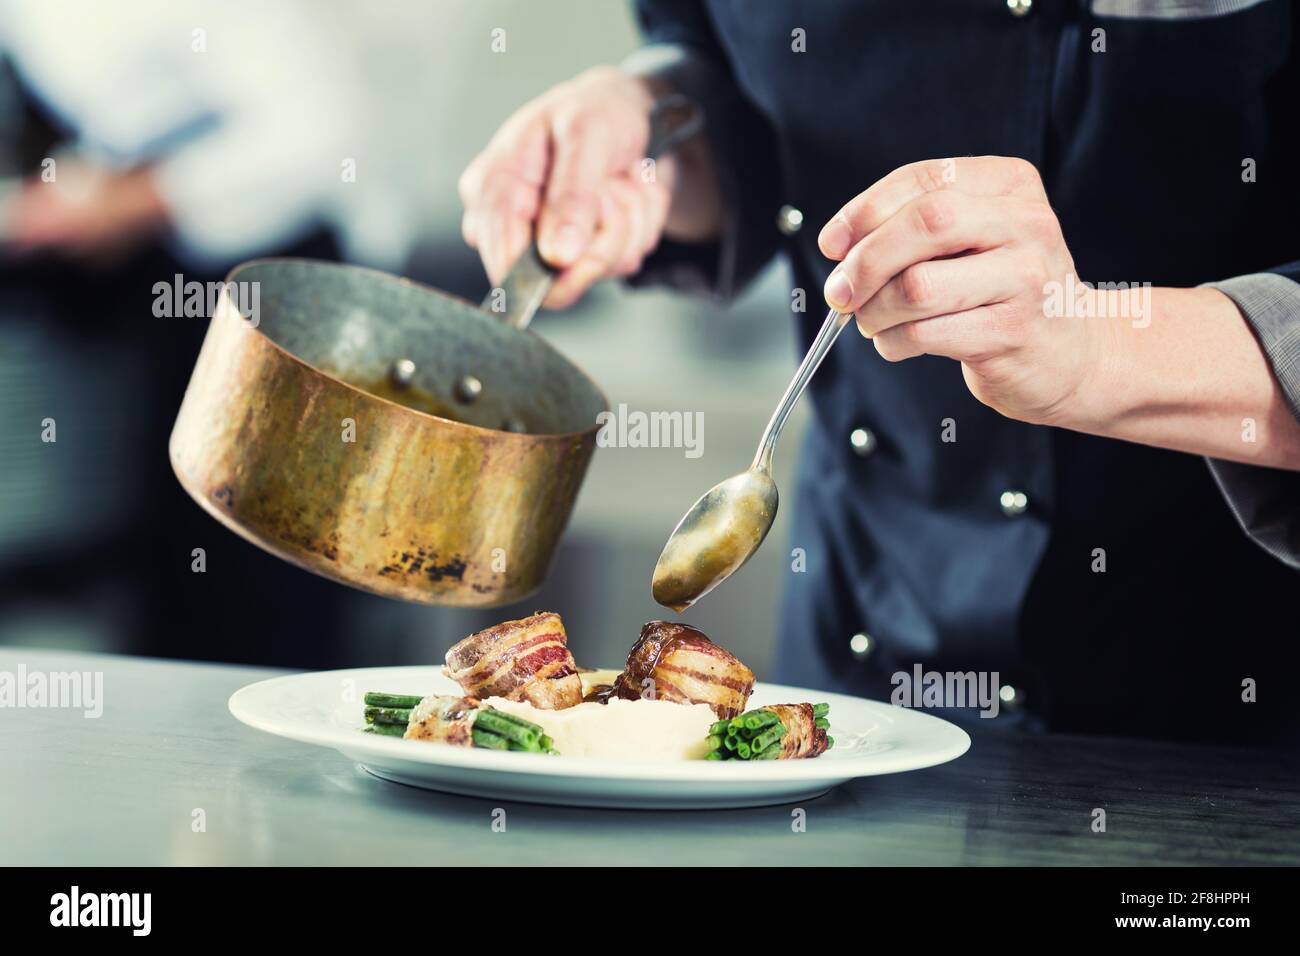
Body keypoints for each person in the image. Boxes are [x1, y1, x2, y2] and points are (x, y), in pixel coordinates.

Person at [459, 0, 1300, 745]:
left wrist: (1102, 345)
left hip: (1223, 705)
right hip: (859, 689)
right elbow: (746, 79)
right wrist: (659, 126)